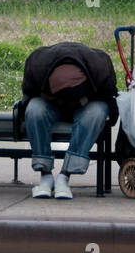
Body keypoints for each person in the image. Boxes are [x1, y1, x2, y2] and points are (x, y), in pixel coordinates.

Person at [21, 41, 118, 200]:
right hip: (50, 103)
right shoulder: (38, 65)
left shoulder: (100, 68)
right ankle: (45, 176)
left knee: (97, 112)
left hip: (86, 103)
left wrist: (86, 101)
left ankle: (64, 176)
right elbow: (28, 95)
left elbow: (109, 98)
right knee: (34, 109)